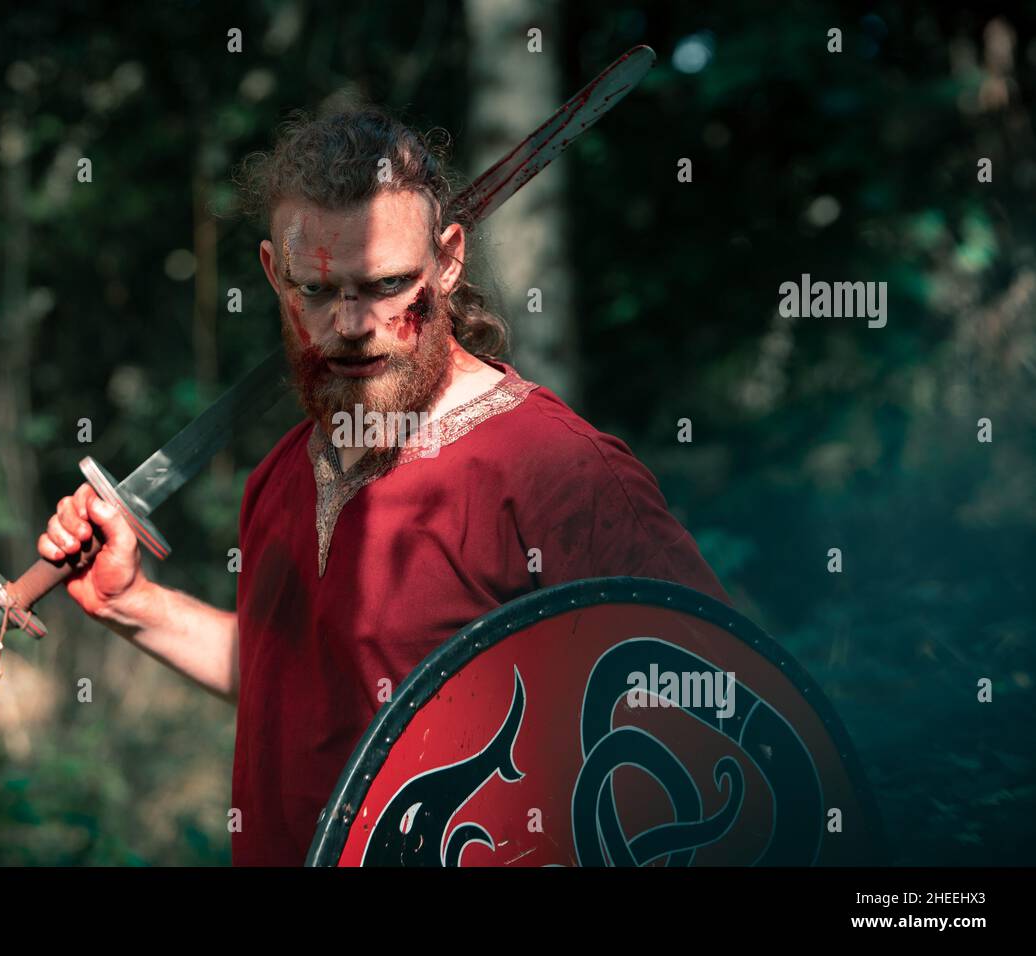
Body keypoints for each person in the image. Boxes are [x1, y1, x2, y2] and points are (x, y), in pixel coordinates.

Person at [37, 108, 730, 866]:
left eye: (387, 284)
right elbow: (299, 688)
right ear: (274, 273)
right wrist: (131, 603)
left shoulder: (558, 473)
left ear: (450, 259)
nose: (352, 323)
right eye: (317, 289)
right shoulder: (282, 476)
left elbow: (719, 723)